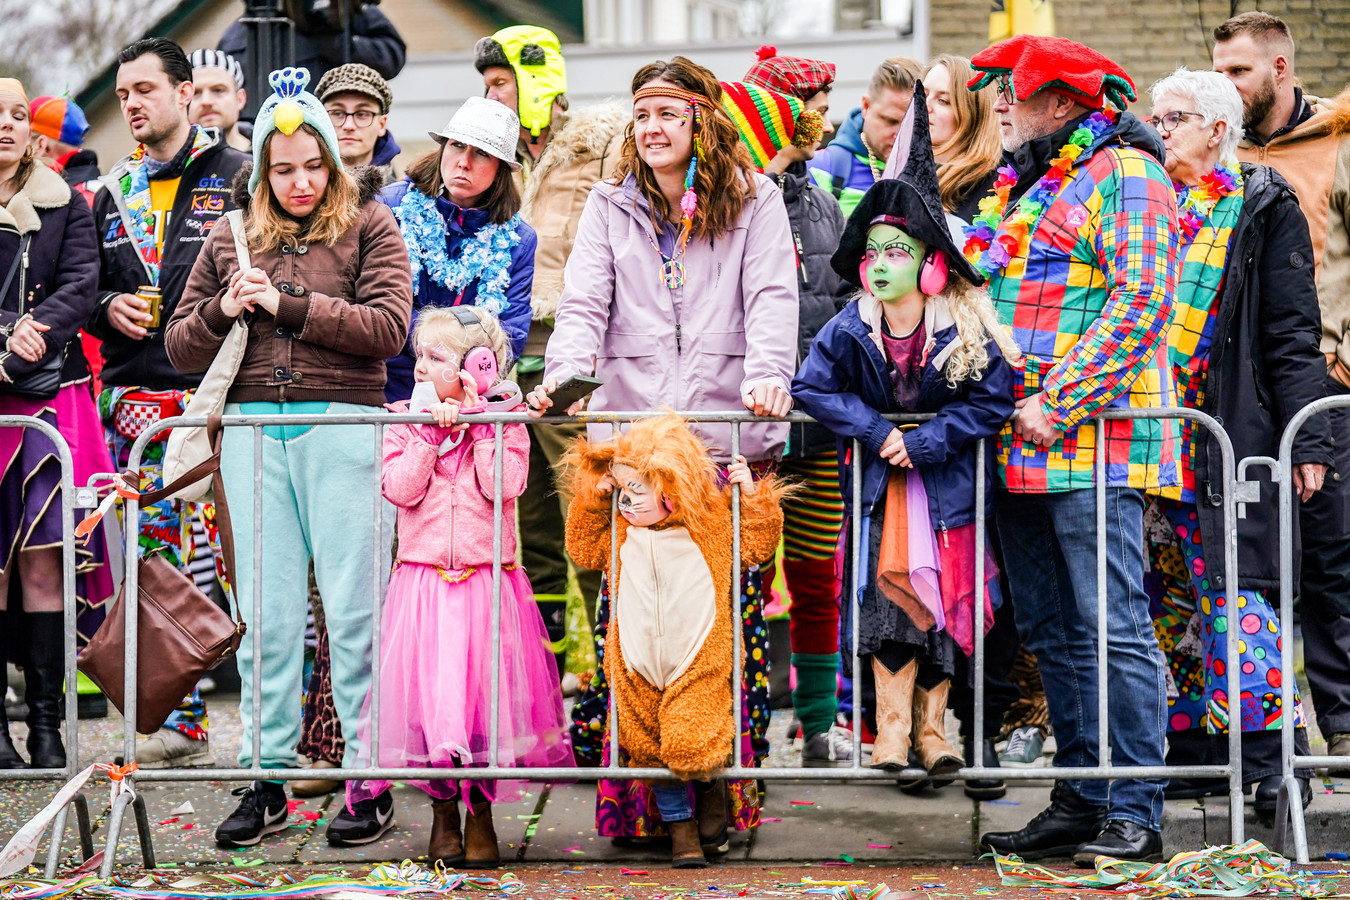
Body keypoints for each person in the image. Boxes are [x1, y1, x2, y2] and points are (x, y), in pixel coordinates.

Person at [528, 56, 797, 850]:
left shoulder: (755, 200)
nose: (651, 129)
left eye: (668, 115)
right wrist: (567, 372)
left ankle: (720, 798)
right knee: (639, 634)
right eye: (642, 115)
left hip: (719, 443)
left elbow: (771, 298)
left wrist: (768, 376)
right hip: (637, 449)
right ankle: (650, 807)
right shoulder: (610, 203)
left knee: (718, 636)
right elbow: (584, 301)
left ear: (702, 123)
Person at [165, 66, 412, 848]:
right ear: (262, 171)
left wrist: (287, 305)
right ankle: (265, 779)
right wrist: (222, 307)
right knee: (266, 620)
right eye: (283, 168)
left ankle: (369, 780)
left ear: (332, 163)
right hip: (248, 434)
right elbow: (179, 346)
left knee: (355, 615)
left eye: (313, 165)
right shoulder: (228, 235)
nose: (300, 181)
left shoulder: (371, 223)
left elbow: (389, 329)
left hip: (343, 426)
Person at [963, 35, 1181, 865]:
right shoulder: (1027, 182)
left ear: (1061, 103)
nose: (1000, 106)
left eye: (1012, 93)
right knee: (1052, 631)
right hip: (1021, 448)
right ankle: (1083, 797)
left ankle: (1136, 809)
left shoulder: (1129, 173)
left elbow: (1143, 302)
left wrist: (1059, 401)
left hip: (1095, 445)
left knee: (1113, 625)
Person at [792, 83, 1015, 788]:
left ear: (932, 264)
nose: (882, 262)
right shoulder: (850, 325)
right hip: (883, 495)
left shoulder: (965, 328)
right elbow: (810, 386)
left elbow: (995, 396)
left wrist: (930, 438)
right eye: (874, 251)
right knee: (891, 606)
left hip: (948, 490)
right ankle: (891, 731)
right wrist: (875, 428)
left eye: (898, 250)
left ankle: (932, 731)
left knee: (944, 606)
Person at [1142, 67, 1329, 816]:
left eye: (1174, 118)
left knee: (1237, 596)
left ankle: (1273, 757)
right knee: (1168, 598)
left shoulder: (1260, 203)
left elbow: (1290, 332)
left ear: (1218, 129)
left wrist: (1309, 441)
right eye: (1155, 117)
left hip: (1229, 439)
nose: (1159, 130)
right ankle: (1193, 748)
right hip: (1151, 440)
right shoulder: (1146, 199)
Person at [346, 305, 570, 868]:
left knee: (481, 707)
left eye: (436, 357)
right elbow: (400, 488)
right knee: (431, 706)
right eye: (419, 356)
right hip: (423, 586)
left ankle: (481, 813)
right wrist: (428, 434)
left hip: (485, 585)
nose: (421, 367)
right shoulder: (402, 419)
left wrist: (483, 424)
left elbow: (504, 486)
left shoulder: (505, 421)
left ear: (478, 368)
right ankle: (444, 812)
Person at [87, 37, 247, 770]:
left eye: (145, 89)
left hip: (217, 400)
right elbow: (82, 286)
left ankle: (270, 727)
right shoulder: (111, 189)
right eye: (123, 95)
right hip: (137, 407)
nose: (131, 104)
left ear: (185, 93)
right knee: (155, 566)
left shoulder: (239, 174)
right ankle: (182, 724)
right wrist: (106, 306)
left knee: (243, 563)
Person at [1213, 11, 1350, 760]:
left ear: (1280, 68)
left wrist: (1343, 366)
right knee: (1251, 568)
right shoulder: (1217, 147)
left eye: (1239, 71)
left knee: (1332, 557)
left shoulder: (1337, 143)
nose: (1227, 84)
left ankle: (1343, 720)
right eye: (1218, 71)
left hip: (1323, 384)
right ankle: (1269, 736)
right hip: (1238, 394)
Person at [563, 416, 786, 868]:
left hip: (697, 657)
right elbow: (583, 549)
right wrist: (593, 499)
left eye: (636, 489)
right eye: (622, 490)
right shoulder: (621, 529)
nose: (626, 500)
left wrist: (754, 496)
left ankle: (709, 790)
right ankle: (681, 828)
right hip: (635, 661)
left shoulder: (711, 526)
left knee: (691, 740)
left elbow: (757, 545)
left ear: (672, 486)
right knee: (647, 749)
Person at [474, 24, 625, 683]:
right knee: (531, 532)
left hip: (575, 365)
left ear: (537, 80)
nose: (492, 97)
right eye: (485, 86)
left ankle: (612, 679)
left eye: (500, 82)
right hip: (507, 366)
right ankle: (546, 677)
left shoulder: (603, 148)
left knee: (589, 520)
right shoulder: (490, 159)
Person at [729, 53, 856, 768]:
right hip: (747, 431)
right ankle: (743, 727)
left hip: (815, 427)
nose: (826, 121)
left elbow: (838, 302)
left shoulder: (823, 202)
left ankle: (816, 725)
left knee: (815, 580)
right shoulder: (733, 198)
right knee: (744, 579)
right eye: (814, 106)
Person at [920, 53, 1029, 795]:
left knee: (990, 579)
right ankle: (929, 733)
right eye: (923, 98)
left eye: (940, 98)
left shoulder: (997, 182)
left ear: (969, 105)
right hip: (923, 397)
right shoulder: (911, 176)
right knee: (928, 573)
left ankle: (984, 729)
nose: (928, 110)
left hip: (984, 395)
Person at [0, 78, 109, 770]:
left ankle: (46, 729)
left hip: (49, 397)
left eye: (18, 114)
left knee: (44, 561)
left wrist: (30, 335)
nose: (8, 125)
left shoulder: (66, 202)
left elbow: (81, 283)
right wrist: (3, 334)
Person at [378, 97, 534, 401]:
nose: (464, 162)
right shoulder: (389, 206)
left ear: (501, 169)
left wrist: (455, 371)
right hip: (388, 387)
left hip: (466, 395)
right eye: (457, 145)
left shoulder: (519, 239)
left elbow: (510, 332)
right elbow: (379, 300)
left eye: (482, 153)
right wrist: (438, 351)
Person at [806, 56, 922, 217]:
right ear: (866, 106)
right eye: (890, 121)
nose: (899, 135)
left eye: (910, 124)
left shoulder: (942, 173)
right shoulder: (818, 167)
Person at [218, 2, 406, 88]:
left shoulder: (340, 10)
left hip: (334, 138)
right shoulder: (236, 36)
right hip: (260, 141)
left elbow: (390, 59)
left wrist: (334, 41)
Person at [316, 63, 401, 180]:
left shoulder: (403, 191)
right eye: (337, 113)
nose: (348, 126)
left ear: (381, 125)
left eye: (362, 114)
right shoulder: (301, 185)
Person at [188, 49, 250, 153]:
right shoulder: (166, 160)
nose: (206, 101)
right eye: (195, 93)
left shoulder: (270, 156)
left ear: (240, 99)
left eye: (218, 90)